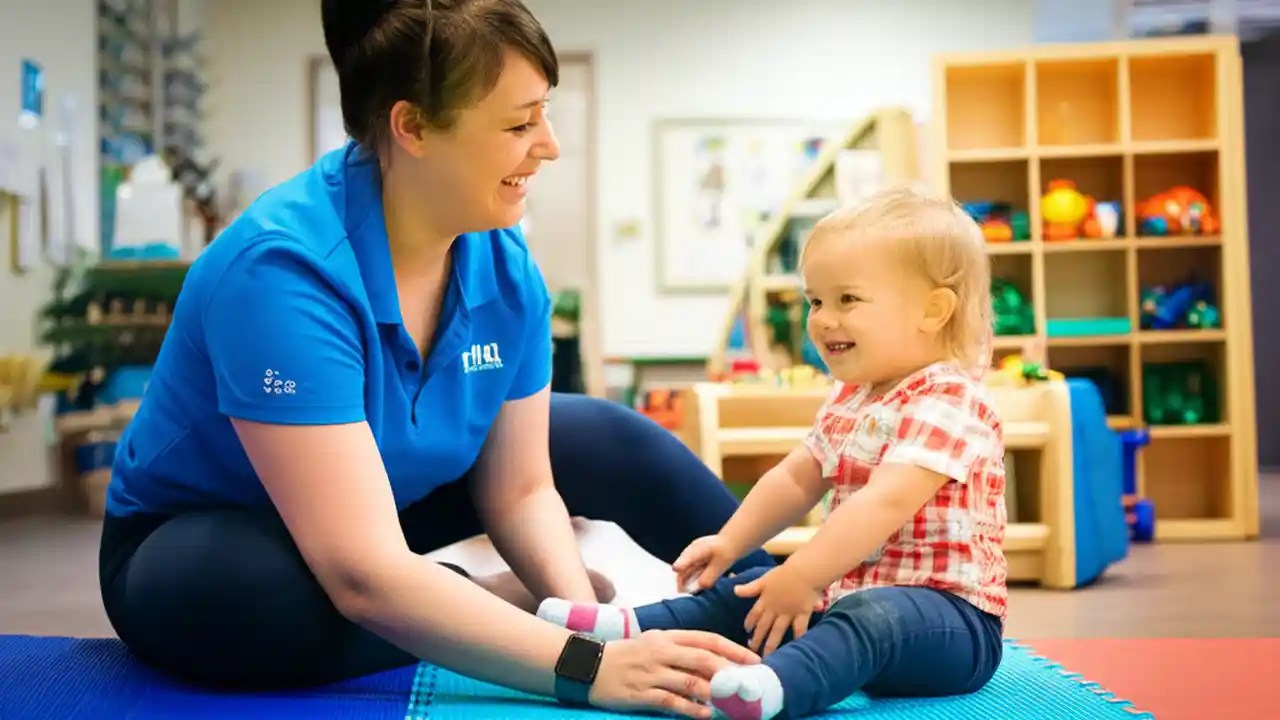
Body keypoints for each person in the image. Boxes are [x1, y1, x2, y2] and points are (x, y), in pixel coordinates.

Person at [96, 1, 775, 717]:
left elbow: (518, 491)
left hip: (390, 497)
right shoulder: (281, 273)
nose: (547, 145)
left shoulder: (503, 264)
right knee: (259, 596)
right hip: (214, 535)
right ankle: (467, 600)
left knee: (609, 437)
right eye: (519, 124)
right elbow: (360, 573)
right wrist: (588, 667)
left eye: (543, 114)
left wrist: (587, 621)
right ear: (412, 126)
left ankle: (791, 600)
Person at [537, 186, 1009, 720]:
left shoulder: (949, 397)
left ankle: (773, 687)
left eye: (847, 299)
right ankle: (630, 628)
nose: (823, 319)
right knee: (748, 591)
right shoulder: (854, 398)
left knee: (870, 617)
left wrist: (805, 575)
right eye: (815, 300)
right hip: (850, 593)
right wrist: (731, 541)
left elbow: (884, 504)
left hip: (953, 624)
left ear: (933, 310)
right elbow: (797, 478)